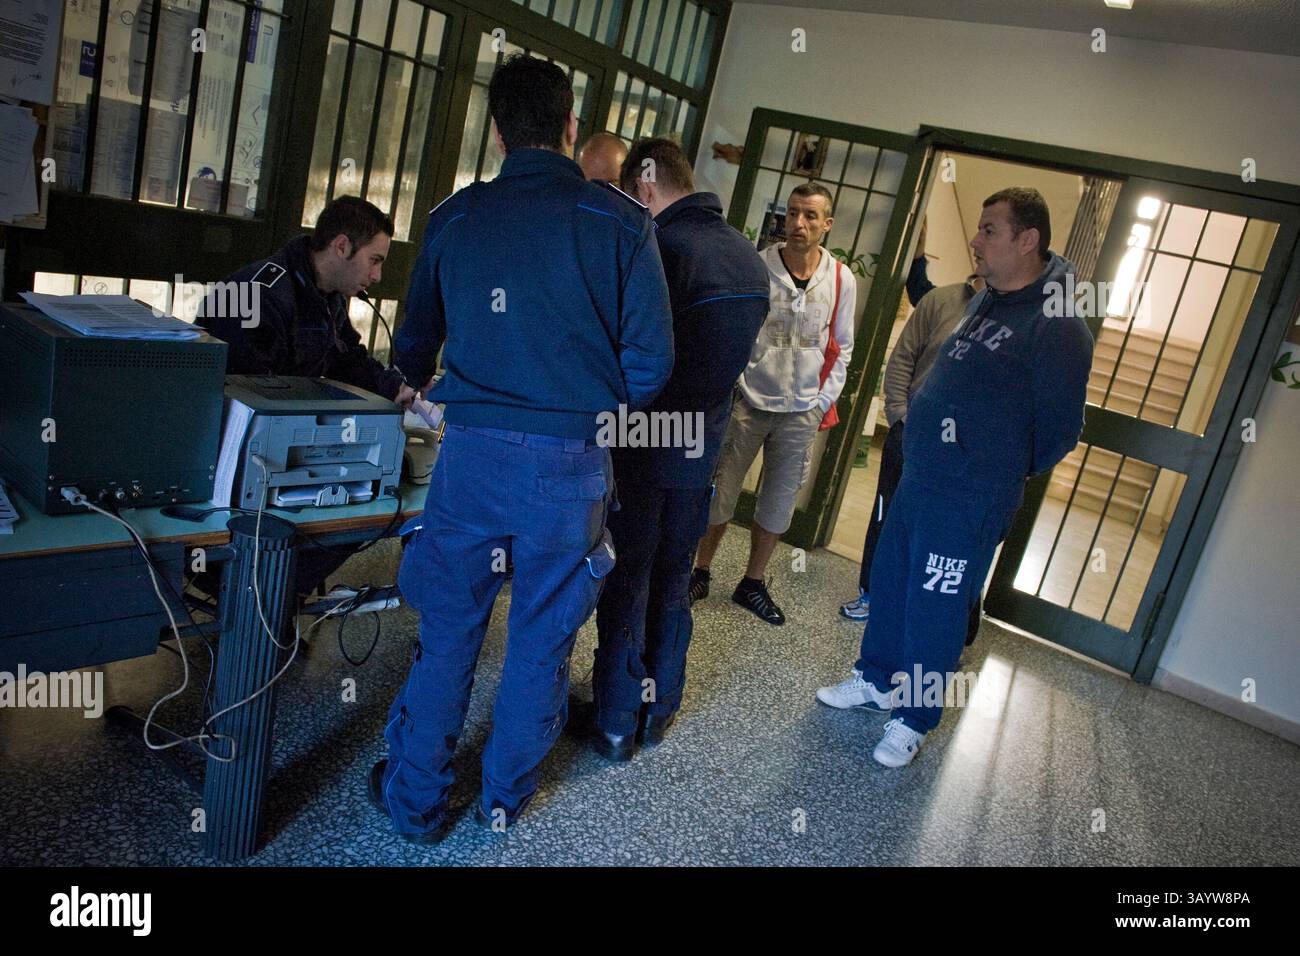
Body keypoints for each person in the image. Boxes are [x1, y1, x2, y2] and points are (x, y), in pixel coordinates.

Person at [371, 54, 674, 840]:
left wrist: (433, 381)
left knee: (448, 635)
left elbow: (411, 349)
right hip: (569, 467)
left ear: (497, 131)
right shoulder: (622, 222)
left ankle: (414, 804)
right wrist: (585, 404)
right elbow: (651, 362)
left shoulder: (456, 218)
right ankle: (501, 804)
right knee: (541, 637)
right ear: (571, 128)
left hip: (470, 460)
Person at [817, 188, 1093, 768]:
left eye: (989, 230)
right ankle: (876, 679)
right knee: (890, 582)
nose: (976, 239)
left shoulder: (1059, 326)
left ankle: (913, 717)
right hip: (921, 478)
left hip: (970, 496)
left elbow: (1058, 433)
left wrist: (988, 465)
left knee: (937, 609)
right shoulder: (987, 299)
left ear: (1028, 240)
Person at [575, 137, 769, 761]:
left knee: (628, 577)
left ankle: (614, 719)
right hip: (700, 448)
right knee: (674, 578)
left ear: (648, 186)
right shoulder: (747, 257)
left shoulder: (661, 248)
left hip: (644, 445)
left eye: (632, 197)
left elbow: (633, 355)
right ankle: (659, 707)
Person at [196, 195, 416, 599]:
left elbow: (347, 358)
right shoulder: (254, 291)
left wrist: (395, 389)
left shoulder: (328, 297)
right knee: (340, 513)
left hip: (282, 447)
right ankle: (248, 592)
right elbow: (241, 396)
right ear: (342, 247)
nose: (379, 275)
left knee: (363, 513)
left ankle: (274, 593)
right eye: (376, 260)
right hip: (231, 456)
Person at [690, 183, 855, 625]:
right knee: (721, 491)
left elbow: (842, 346)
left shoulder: (841, 279)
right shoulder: (757, 266)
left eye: (810, 216)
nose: (798, 224)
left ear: (827, 224)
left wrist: (820, 402)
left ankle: (753, 582)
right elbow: (736, 328)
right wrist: (737, 384)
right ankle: (700, 569)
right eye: (793, 214)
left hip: (801, 409)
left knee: (779, 501)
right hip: (749, 400)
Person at [839, 225, 987, 650]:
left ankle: (948, 627)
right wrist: (900, 417)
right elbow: (903, 360)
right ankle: (871, 594)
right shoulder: (940, 301)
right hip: (911, 439)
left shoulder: (1011, 322)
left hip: (964, 458)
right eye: (977, 235)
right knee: (888, 517)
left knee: (949, 539)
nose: (978, 245)